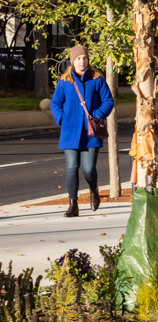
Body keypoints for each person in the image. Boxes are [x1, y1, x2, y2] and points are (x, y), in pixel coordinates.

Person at [50, 45, 115, 217]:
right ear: (72, 61)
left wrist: (98, 115)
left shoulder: (97, 79)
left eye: (84, 58)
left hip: (90, 132)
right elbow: (55, 103)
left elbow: (108, 101)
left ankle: (94, 190)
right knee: (71, 168)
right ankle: (73, 204)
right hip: (70, 131)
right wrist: (62, 119)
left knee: (88, 169)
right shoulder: (65, 82)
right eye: (78, 59)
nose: (82, 61)